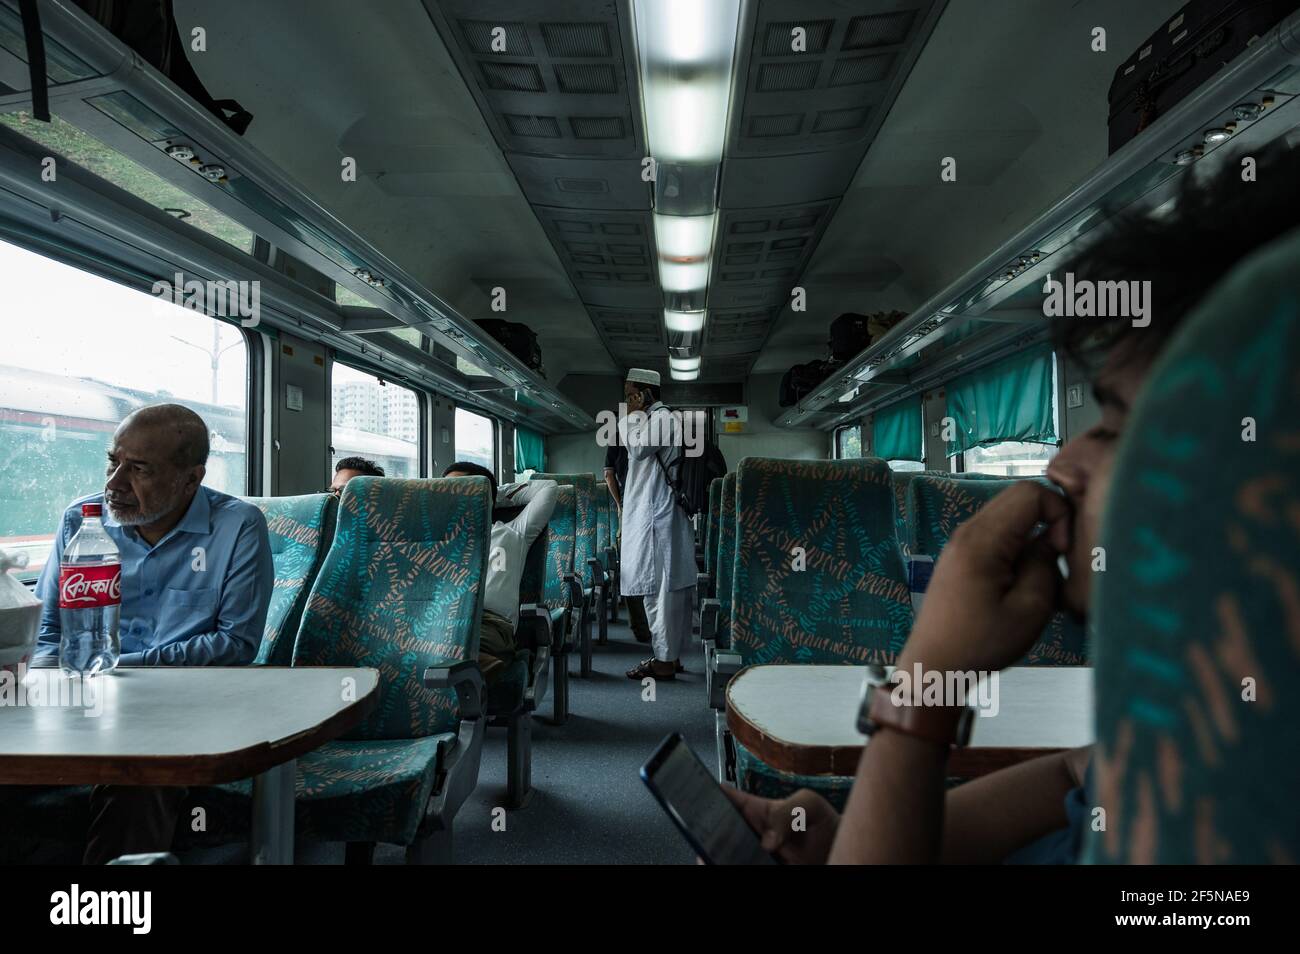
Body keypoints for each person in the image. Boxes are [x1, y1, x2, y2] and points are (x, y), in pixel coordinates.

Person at [722, 141, 1300, 863]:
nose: (1065, 460)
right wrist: (854, 835)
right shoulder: (1177, 744)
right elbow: (1072, 777)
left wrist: (924, 691)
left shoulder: (1226, 817)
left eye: (1119, 425)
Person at [32, 403, 274, 864]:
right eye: (112, 461)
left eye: (138, 469)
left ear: (191, 478)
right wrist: (45, 693)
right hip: (83, 699)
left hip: (184, 707)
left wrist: (115, 669)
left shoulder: (236, 527)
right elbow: (49, 629)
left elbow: (235, 644)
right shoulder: (80, 520)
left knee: (137, 780)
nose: (114, 484)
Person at [441, 461, 556, 684]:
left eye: (459, 489)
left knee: (443, 644)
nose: (451, 497)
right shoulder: (435, 540)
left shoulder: (512, 532)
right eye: (446, 491)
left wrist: (487, 494)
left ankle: (469, 663)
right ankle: (473, 664)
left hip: (491, 623)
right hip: (443, 619)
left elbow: (548, 488)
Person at [618, 369, 696, 681]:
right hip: (654, 513)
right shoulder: (655, 419)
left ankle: (664, 660)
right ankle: (668, 655)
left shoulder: (661, 418)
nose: (627, 401)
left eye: (630, 394)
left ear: (646, 392)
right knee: (660, 588)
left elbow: (638, 450)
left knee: (660, 589)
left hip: (657, 515)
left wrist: (631, 416)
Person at [603, 409, 653, 645]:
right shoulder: (656, 435)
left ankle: (641, 627)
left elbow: (609, 475)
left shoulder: (617, 436)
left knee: (631, 565)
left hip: (631, 508)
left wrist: (621, 505)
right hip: (656, 506)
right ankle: (658, 624)